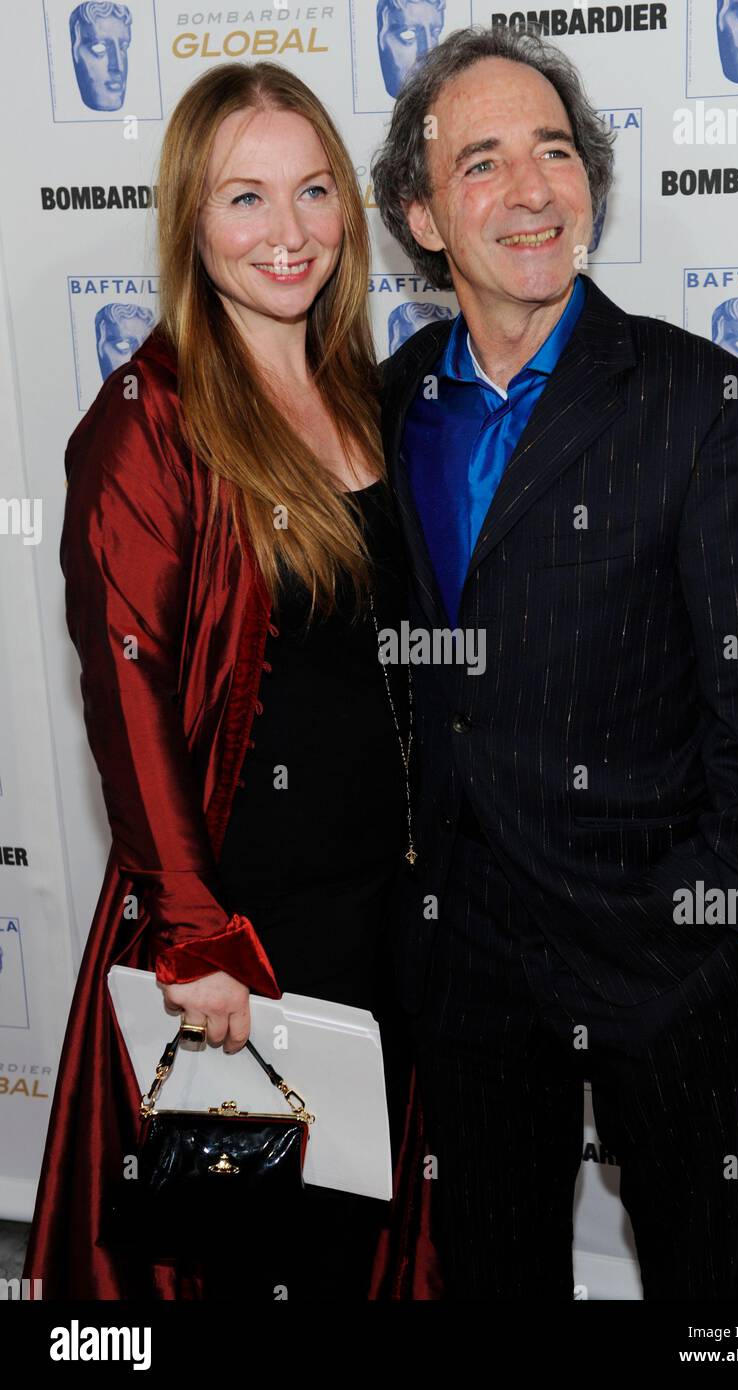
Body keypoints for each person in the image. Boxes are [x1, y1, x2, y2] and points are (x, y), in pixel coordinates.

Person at [372, 25, 738, 1299]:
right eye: (484, 163)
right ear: (420, 214)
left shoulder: (704, 403)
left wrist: (716, 936)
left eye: (555, 152)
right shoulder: (389, 405)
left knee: (698, 1286)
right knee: (498, 1273)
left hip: (656, 955)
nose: (532, 191)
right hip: (467, 966)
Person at [24, 59, 439, 1301]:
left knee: (362, 1231)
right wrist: (201, 937)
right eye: (245, 198)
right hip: (249, 931)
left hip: (385, 909)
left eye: (313, 191)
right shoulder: (146, 424)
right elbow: (130, 700)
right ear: (191, 224)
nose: (290, 231)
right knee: (251, 1251)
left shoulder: (372, 393)